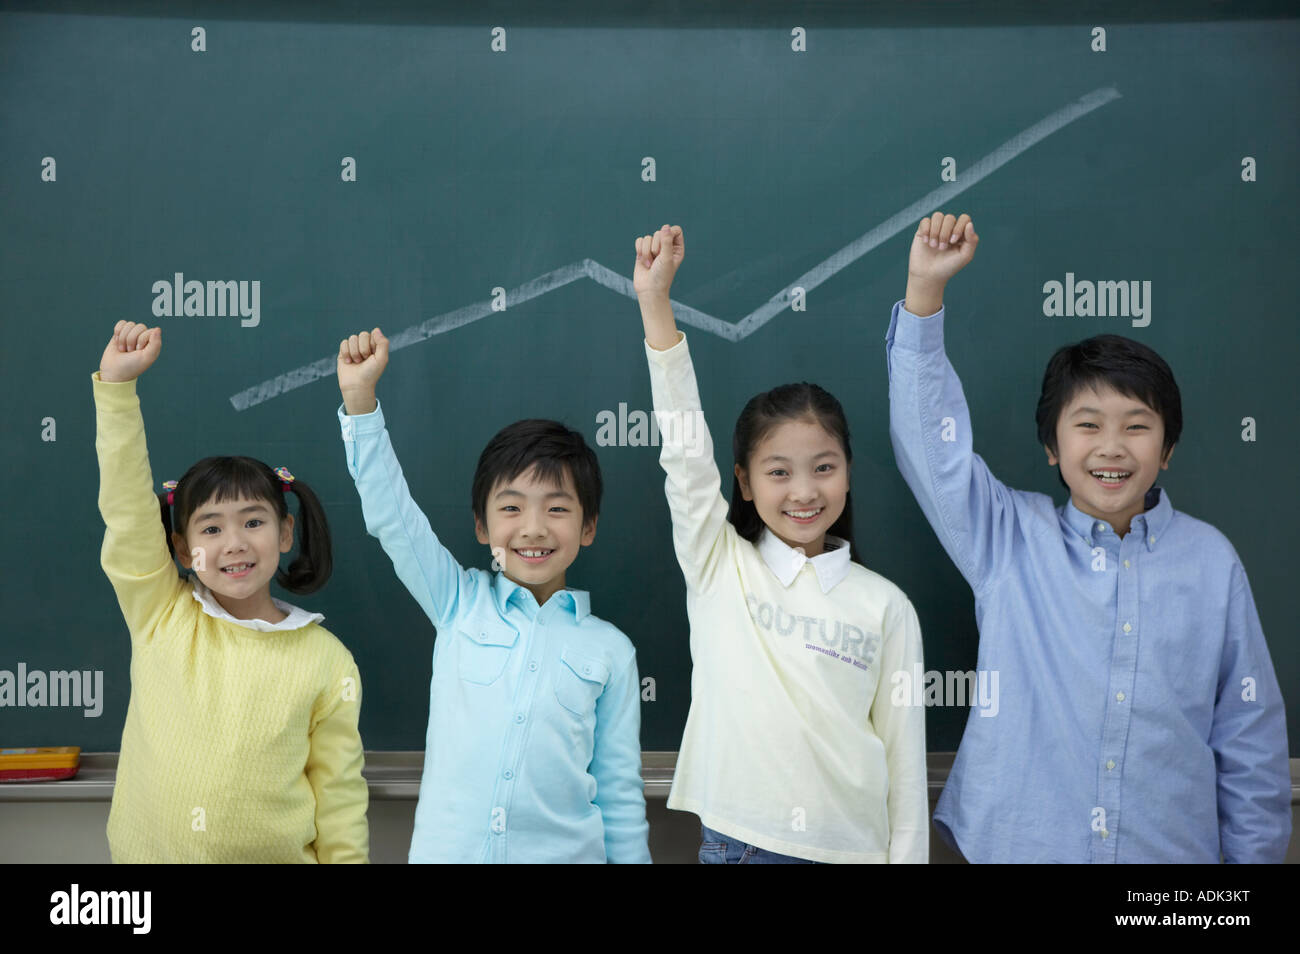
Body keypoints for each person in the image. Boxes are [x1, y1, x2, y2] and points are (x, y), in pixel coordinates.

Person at [887, 211, 1290, 862]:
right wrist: (924, 294)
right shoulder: (1008, 539)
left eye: (1137, 426)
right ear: (1051, 445)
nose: (1111, 448)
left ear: (1168, 448)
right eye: (1087, 424)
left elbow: (1249, 738)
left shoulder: (1212, 563)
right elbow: (929, 445)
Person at [635, 224, 928, 863]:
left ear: (849, 472)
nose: (803, 491)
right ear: (742, 481)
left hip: (855, 853)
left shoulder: (885, 606)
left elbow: (905, 773)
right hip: (741, 847)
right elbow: (684, 451)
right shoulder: (719, 565)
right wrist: (656, 305)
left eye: (824, 467)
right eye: (778, 472)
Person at [335, 327, 650, 863]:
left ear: (588, 526)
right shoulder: (457, 603)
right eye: (510, 508)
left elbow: (619, 792)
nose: (533, 528)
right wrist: (360, 404)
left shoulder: (611, 651)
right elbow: (392, 517)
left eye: (557, 508)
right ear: (481, 526)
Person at [94, 320, 368, 863]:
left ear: (285, 531)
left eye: (253, 522)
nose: (234, 544)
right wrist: (117, 391)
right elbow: (127, 510)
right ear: (179, 547)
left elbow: (339, 800)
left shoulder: (327, 661)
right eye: (212, 528)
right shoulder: (161, 616)